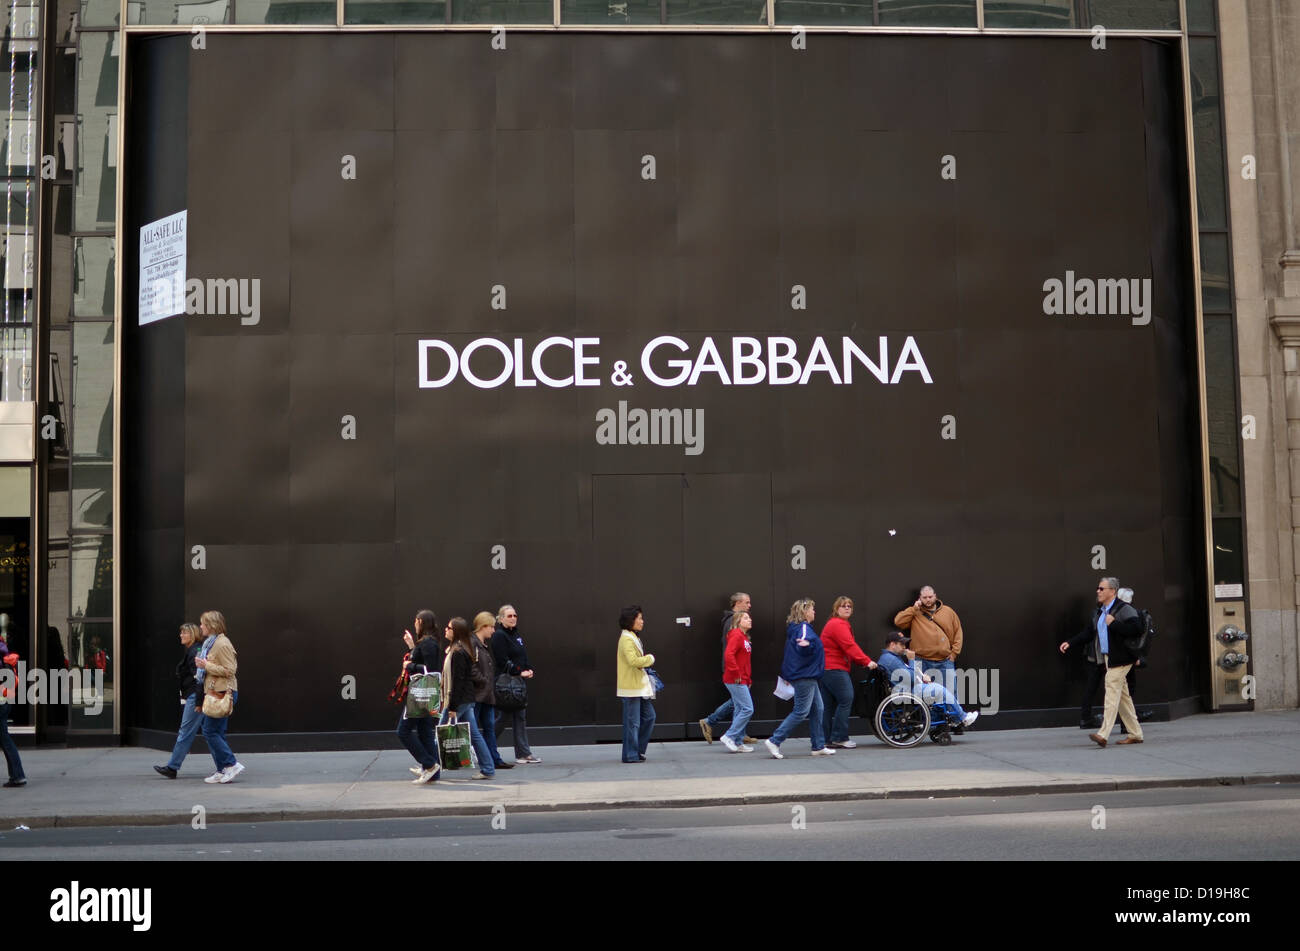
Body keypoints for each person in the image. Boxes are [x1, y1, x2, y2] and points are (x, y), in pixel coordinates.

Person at [1059, 577, 1144, 747]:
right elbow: (1089, 633)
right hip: (1108, 658)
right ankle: (1135, 733)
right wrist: (1071, 642)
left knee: (1111, 690)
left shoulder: (1124, 609)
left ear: (1112, 591)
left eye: (1102, 588)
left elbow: (1137, 629)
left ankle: (1103, 734)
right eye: (1098, 588)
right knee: (1123, 698)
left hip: (1122, 658)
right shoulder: (1101, 611)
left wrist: (1114, 625)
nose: (1098, 591)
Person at [765, 599, 831, 760]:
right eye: (812, 609)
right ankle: (775, 740)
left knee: (818, 709)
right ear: (804, 612)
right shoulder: (803, 628)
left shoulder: (798, 628)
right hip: (805, 675)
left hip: (808, 674)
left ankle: (818, 746)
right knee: (801, 711)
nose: (814, 612)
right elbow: (803, 641)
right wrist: (807, 644)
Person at [876, 632, 978, 727]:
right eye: (902, 644)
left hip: (904, 689)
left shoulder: (888, 658)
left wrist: (921, 677)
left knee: (936, 689)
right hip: (906, 692)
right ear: (892, 644)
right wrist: (911, 659)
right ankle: (962, 717)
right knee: (939, 690)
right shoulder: (891, 659)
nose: (904, 647)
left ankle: (948, 719)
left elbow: (908, 675)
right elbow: (910, 677)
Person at [698, 591, 759, 745]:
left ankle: (738, 734)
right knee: (742, 704)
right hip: (734, 671)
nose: (749, 606)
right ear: (737, 603)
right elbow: (730, 651)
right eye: (747, 602)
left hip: (738, 671)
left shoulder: (736, 626)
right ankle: (718, 725)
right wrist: (735, 671)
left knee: (739, 702)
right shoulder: (733, 624)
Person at [819, 596, 877, 749]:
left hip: (826, 669)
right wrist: (867, 662)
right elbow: (849, 646)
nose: (846, 608)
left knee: (827, 706)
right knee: (846, 700)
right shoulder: (838, 624)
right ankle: (839, 737)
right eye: (843, 606)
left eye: (849, 606)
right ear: (836, 609)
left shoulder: (835, 623)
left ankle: (825, 738)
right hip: (834, 669)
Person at [440, 617, 494, 780]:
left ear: (455, 631)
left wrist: (453, 707)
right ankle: (488, 768)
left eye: (448, 627)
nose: (446, 630)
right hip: (465, 700)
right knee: (475, 734)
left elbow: (458, 681)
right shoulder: (458, 650)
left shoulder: (458, 652)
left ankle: (428, 766)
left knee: (440, 734)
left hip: (459, 701)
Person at [196, 610, 244, 784]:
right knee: (217, 732)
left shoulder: (222, 644)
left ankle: (231, 764)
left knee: (209, 730)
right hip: (215, 691)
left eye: (203, 623)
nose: (200, 626)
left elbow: (230, 670)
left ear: (211, 625)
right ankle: (222, 769)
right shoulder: (211, 642)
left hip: (223, 692)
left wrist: (206, 665)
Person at [154, 622, 205, 778]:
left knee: (186, 732)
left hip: (195, 697)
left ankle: (172, 767)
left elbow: (199, 678)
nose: (181, 635)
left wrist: (198, 702)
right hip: (193, 696)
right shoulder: (193, 650)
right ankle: (226, 765)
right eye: (181, 632)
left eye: (185, 633)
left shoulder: (194, 651)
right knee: (211, 732)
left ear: (193, 634)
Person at [491, 604, 540, 764]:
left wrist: (529, 669)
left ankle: (523, 754)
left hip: (518, 683)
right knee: (504, 717)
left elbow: (522, 655)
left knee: (519, 716)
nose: (513, 618)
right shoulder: (499, 636)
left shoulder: (516, 635)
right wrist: (519, 671)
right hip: (505, 684)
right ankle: (484, 746)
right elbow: (502, 660)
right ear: (501, 618)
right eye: (509, 616)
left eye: (515, 616)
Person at [398, 610, 442, 784]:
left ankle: (430, 765)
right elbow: (424, 660)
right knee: (424, 731)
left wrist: (410, 666)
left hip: (420, 694)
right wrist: (411, 646)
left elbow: (429, 670)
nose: (414, 624)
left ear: (420, 622)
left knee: (403, 731)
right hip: (425, 694)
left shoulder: (428, 643)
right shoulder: (428, 642)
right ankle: (432, 771)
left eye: (416, 621)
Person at [893, 585, 963, 694]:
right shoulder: (914, 612)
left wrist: (954, 653)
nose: (928, 600)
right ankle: (927, 712)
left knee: (951, 691)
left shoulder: (948, 611)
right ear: (920, 598)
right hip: (921, 660)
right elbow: (898, 621)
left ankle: (950, 712)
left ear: (935, 596)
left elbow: (958, 632)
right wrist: (913, 609)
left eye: (930, 597)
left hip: (945, 660)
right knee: (922, 693)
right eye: (925, 597)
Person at [616, 605, 656, 764]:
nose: (642, 621)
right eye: (639, 618)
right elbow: (633, 661)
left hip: (638, 686)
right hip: (631, 687)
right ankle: (631, 754)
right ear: (630, 620)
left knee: (649, 717)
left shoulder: (632, 636)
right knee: (633, 723)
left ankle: (637, 750)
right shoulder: (626, 638)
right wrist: (650, 659)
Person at [472, 611, 511, 770]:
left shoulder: (482, 644)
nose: (493, 631)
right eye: (491, 627)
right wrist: (484, 681)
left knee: (488, 727)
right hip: (477, 694)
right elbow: (471, 668)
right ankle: (487, 760)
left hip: (487, 694)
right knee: (473, 730)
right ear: (483, 626)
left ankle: (494, 759)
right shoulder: (472, 643)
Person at [718, 611, 755, 753]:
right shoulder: (735, 635)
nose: (750, 620)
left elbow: (744, 661)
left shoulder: (743, 637)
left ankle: (738, 742)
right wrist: (737, 673)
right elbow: (729, 655)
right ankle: (729, 736)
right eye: (746, 618)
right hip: (734, 679)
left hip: (741, 679)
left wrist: (748, 678)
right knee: (747, 708)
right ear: (738, 621)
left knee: (740, 708)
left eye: (749, 617)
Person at [0, 631, 25, 787]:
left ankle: (18, 775)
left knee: (5, 740)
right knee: (4, 739)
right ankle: (16, 775)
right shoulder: (3, 651)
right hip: (4, 701)